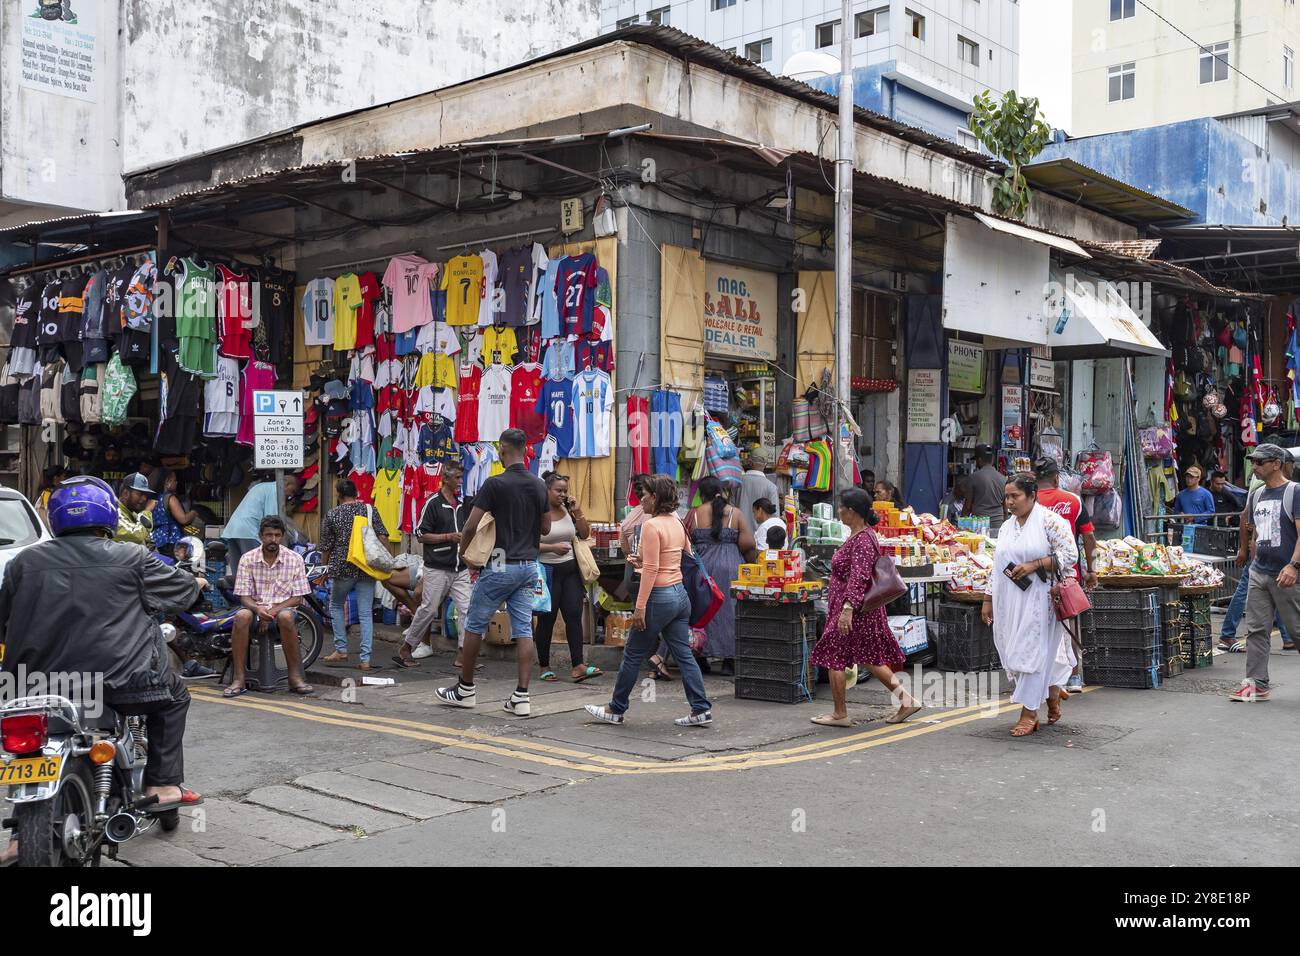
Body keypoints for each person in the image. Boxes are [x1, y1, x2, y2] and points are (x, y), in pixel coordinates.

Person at [0, 476, 208, 833]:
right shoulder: (132, 557)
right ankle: (161, 782)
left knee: (27, 747)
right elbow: (182, 594)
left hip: (29, 687)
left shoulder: (23, 563)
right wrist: (197, 583)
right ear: (108, 515)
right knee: (175, 696)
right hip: (121, 684)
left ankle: (22, 832)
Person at [436, 428, 549, 717]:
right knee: (524, 629)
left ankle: (465, 689)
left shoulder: (494, 484)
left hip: (499, 562)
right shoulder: (539, 485)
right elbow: (546, 528)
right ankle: (521, 697)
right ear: (525, 450)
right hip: (528, 565)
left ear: (501, 450)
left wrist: (464, 554)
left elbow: (471, 526)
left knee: (475, 623)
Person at [585, 473, 713, 726]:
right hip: (679, 595)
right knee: (683, 654)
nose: (641, 498)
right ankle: (700, 708)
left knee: (633, 654)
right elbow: (677, 557)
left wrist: (640, 607)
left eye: (645, 494)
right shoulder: (677, 523)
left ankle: (615, 708)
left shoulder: (652, 526)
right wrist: (641, 562)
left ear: (655, 498)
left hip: (659, 597)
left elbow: (653, 570)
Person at [809, 488, 923, 728]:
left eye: (842, 507)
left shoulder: (862, 540)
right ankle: (907, 700)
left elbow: (859, 577)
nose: (839, 511)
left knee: (835, 657)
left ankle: (840, 713)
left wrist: (848, 609)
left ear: (851, 512)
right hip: (857, 610)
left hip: (852, 611)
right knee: (870, 658)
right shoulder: (860, 535)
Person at [982, 474, 1078, 736]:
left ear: (1032, 495)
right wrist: (987, 599)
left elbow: (1070, 555)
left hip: (1041, 600)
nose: (1009, 502)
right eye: (1007, 496)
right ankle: (1052, 693)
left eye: (1015, 496)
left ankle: (1029, 713)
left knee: (1031, 653)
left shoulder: (1051, 522)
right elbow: (997, 564)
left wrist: (1035, 565)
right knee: (1014, 652)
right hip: (1009, 601)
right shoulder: (1006, 527)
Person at [1230, 444, 1300, 702]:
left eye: (1260, 462)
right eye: (1253, 462)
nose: (1255, 467)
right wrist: (1251, 556)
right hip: (1260, 572)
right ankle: (1256, 684)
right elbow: (1256, 532)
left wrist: (1293, 565)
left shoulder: (1295, 492)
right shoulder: (1256, 495)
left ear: (1276, 464)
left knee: (1297, 630)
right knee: (1256, 629)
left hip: (1288, 573)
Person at [395, 461, 475, 669]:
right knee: (428, 610)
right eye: (456, 478)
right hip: (437, 567)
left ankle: (463, 655)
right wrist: (448, 536)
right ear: (445, 479)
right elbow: (421, 535)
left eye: (461, 477)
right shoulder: (432, 503)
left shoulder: (462, 504)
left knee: (467, 610)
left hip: (460, 568)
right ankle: (406, 648)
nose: (460, 481)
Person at [225, 515, 315, 697]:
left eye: (277, 535)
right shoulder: (247, 559)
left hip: (282, 609)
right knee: (241, 617)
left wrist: (272, 611)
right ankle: (239, 679)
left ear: (282, 536)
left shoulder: (294, 559)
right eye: (268, 535)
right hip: (255, 608)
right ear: (260, 536)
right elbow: (244, 597)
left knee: (286, 616)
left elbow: (297, 598)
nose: (273, 539)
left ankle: (295, 677)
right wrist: (259, 610)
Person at [1032, 456, 1099, 694]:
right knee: (1069, 620)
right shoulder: (1073, 501)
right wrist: (1091, 569)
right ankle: (1073, 675)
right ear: (1057, 477)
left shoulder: (1026, 500)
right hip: (1067, 572)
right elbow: (1089, 538)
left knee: (1035, 623)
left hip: (1033, 572)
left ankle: (1038, 674)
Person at [686, 475, 757, 676]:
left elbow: (685, 543)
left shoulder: (694, 514)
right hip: (731, 567)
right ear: (722, 492)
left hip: (702, 569)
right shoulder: (736, 513)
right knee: (730, 612)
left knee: (701, 611)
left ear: (701, 494)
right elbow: (748, 544)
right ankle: (730, 660)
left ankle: (700, 657)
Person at [536, 472, 602, 683]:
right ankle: (544, 666)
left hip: (570, 571)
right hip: (547, 571)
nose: (562, 494)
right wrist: (552, 547)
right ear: (547, 490)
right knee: (547, 619)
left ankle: (578, 665)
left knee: (574, 616)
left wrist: (578, 511)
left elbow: (583, 534)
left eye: (565, 490)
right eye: (558, 490)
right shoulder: (538, 511)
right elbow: (527, 543)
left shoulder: (568, 509)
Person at [318, 478, 387, 671]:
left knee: (336, 605)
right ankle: (365, 659)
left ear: (339, 496)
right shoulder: (369, 510)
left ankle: (341, 649)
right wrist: (385, 561)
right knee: (366, 613)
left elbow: (325, 547)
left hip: (343, 566)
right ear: (356, 493)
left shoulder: (333, 514)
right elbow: (382, 536)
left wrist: (324, 570)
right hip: (366, 566)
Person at [222, 474, 301, 571]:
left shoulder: (263, 486)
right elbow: (272, 520)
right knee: (256, 570)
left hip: (233, 530)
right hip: (248, 531)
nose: (291, 495)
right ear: (287, 484)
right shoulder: (275, 491)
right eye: (292, 491)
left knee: (239, 572)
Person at [149, 467, 200, 557]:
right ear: (167, 482)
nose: (176, 483)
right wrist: (194, 513)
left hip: (156, 540)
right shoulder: (170, 498)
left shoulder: (153, 498)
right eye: (174, 480)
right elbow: (183, 519)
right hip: (171, 541)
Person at [734, 450, 780, 533]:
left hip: (739, 534)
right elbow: (774, 517)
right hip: (761, 538)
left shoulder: (737, 482)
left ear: (749, 462)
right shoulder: (771, 487)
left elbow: (730, 509)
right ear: (765, 464)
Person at [966, 445, 1007, 526]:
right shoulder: (1003, 479)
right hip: (998, 523)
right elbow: (1005, 508)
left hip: (979, 525)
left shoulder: (973, 477)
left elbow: (968, 507)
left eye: (976, 460)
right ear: (992, 460)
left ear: (980, 460)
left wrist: (962, 526)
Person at [115, 471, 156, 547]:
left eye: (145, 495)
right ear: (125, 493)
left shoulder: (134, 514)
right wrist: (147, 511)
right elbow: (135, 536)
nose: (144, 498)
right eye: (140, 494)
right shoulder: (114, 512)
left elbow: (148, 541)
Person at [33, 464, 68, 528]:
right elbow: (50, 511)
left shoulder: (55, 492)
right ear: (56, 478)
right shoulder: (48, 493)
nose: (65, 479)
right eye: (63, 476)